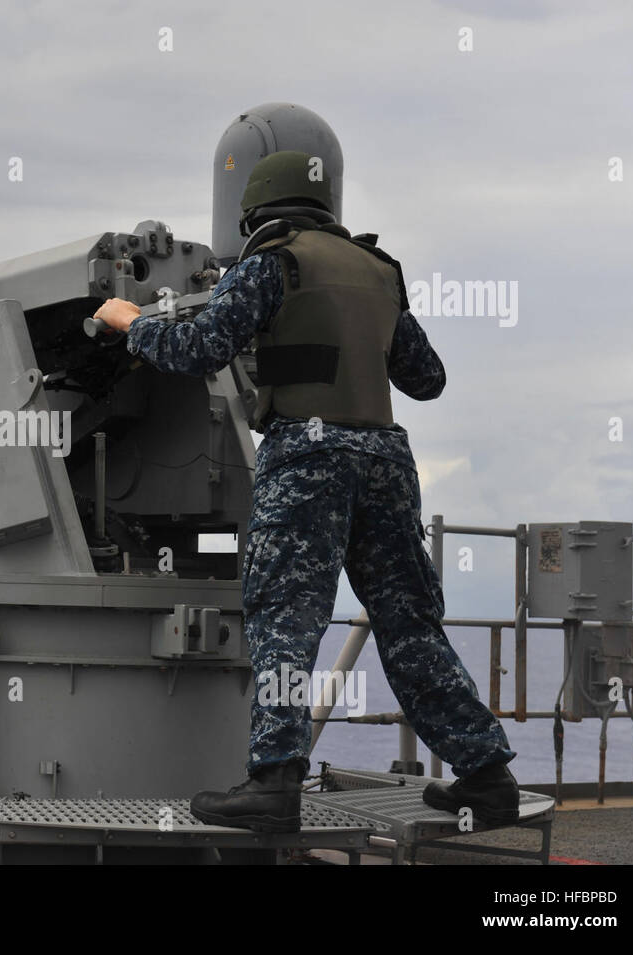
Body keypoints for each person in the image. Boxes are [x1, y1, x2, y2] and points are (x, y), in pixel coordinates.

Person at [92, 149, 519, 834]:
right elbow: (427, 378)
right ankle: (487, 776)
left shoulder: (273, 262)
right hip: (384, 459)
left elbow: (198, 349)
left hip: (308, 457)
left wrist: (130, 322)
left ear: (257, 209)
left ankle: (273, 781)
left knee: (285, 617)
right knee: (409, 620)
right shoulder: (380, 271)